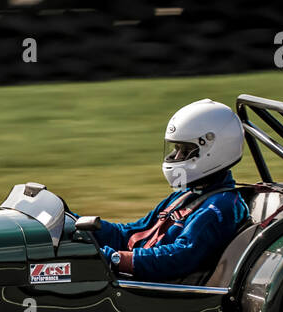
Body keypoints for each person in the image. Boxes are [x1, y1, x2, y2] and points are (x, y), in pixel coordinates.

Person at [91, 99, 250, 282]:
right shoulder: (186, 194)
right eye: (176, 149)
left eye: (184, 150)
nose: (176, 157)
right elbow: (132, 233)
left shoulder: (220, 207)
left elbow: (180, 256)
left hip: (162, 291)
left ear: (211, 149)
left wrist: (116, 259)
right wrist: (78, 224)